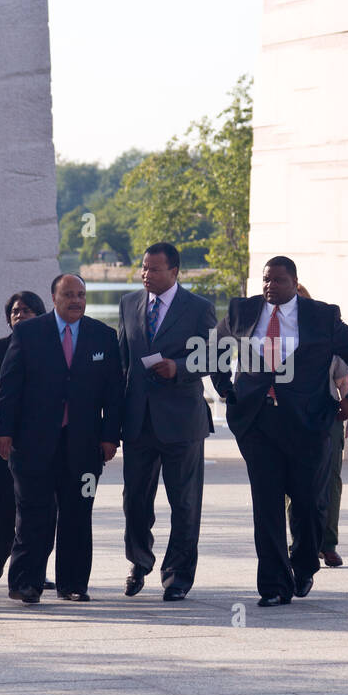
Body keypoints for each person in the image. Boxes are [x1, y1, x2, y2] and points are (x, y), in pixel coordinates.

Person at [211, 257, 348, 606]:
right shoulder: (243, 311)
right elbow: (215, 345)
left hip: (308, 425)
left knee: (308, 503)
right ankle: (273, 585)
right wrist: (226, 389)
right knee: (266, 504)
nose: (270, 286)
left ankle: (303, 567)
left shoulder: (321, 316)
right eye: (266, 280)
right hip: (257, 424)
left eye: (278, 281)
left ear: (294, 282)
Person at [0, 274, 122, 603]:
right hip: (32, 445)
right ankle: (26, 583)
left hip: (85, 447)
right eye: (68, 294)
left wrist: (111, 437)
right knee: (34, 513)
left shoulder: (104, 336)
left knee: (78, 512)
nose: (76, 300)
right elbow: (8, 388)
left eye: (81, 294)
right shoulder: (28, 333)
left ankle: (73, 583)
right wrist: (3, 432)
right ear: (53, 298)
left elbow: (115, 393)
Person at [118, 242, 217, 601]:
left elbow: (213, 356)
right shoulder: (129, 304)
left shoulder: (199, 309)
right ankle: (139, 561)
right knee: (135, 501)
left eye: (154, 269)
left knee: (185, 503)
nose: (146, 274)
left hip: (182, 423)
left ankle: (177, 577)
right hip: (138, 422)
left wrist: (180, 367)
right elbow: (123, 363)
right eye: (143, 268)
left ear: (175, 272)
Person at [284, 284, 348, 568]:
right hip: (288, 420)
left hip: (326, 420)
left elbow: (344, 382)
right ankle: (300, 543)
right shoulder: (276, 338)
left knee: (330, 482)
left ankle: (328, 543)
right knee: (292, 485)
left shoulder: (327, 337)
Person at [0, 290, 53, 589]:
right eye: (15, 310)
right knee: (0, 509)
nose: (20, 314)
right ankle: (0, 552)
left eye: (27, 310)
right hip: (1, 445)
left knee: (39, 511)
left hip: (40, 444)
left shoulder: (53, 350)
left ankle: (33, 570)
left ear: (40, 316)